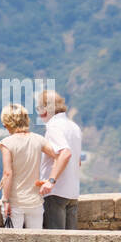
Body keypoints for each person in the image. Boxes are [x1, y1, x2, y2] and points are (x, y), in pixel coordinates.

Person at [0, 104, 59, 230]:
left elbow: (7, 173)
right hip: (35, 203)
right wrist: (50, 179)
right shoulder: (38, 139)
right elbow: (58, 156)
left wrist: (6, 201)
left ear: (9, 123)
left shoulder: (6, 143)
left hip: (15, 202)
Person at [36, 90, 82, 230]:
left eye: (39, 108)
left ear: (45, 109)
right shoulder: (74, 126)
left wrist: (51, 180)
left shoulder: (53, 127)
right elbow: (77, 160)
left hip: (56, 192)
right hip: (72, 192)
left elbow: (65, 153)